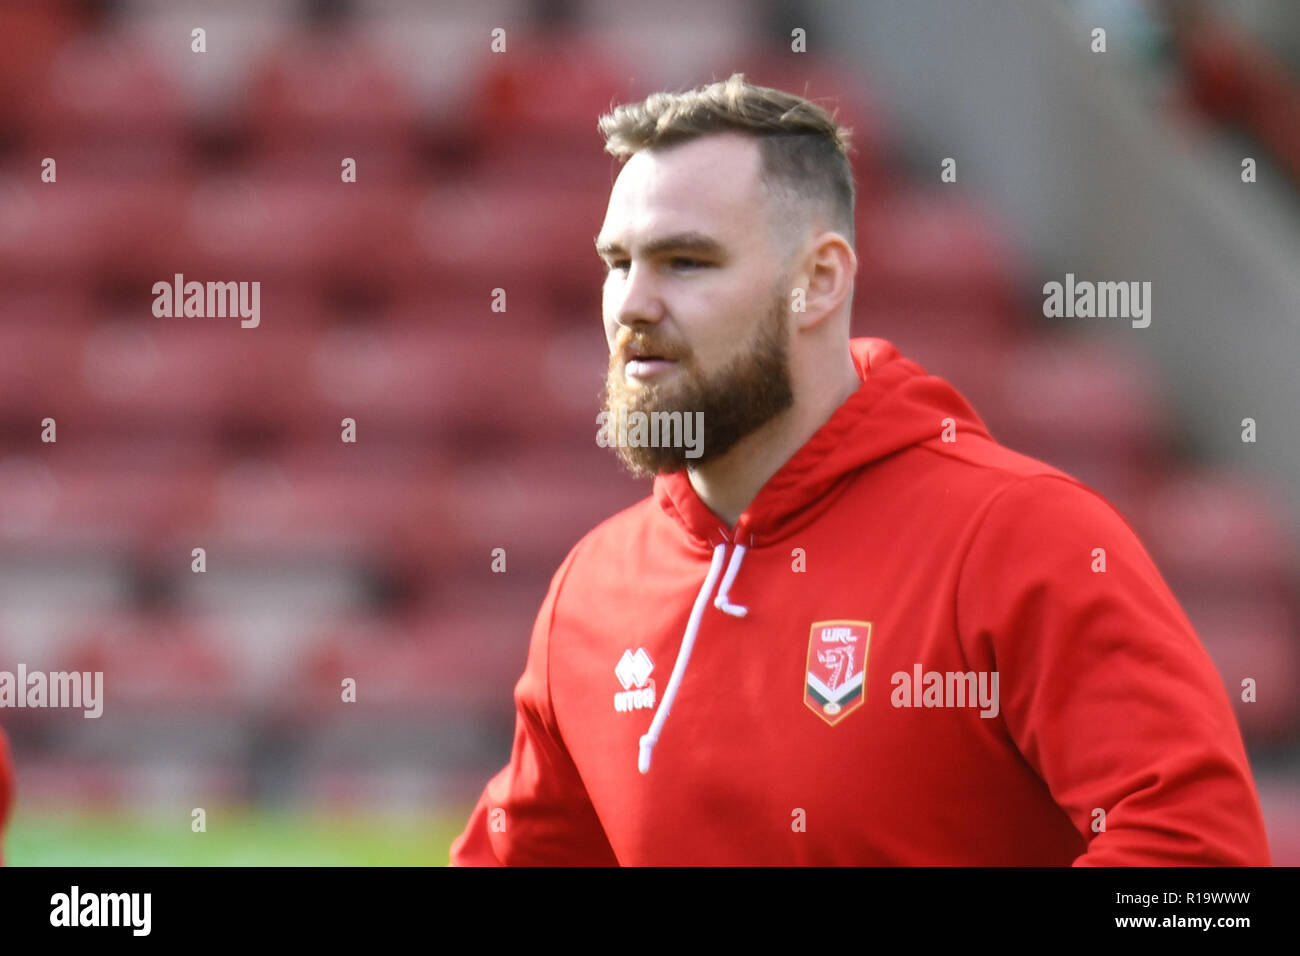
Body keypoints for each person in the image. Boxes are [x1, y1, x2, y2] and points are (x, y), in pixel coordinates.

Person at [450, 73, 1270, 865]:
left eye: (685, 262)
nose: (631, 303)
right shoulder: (591, 593)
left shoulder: (1021, 537)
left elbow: (1203, 862)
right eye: (618, 263)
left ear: (818, 281)